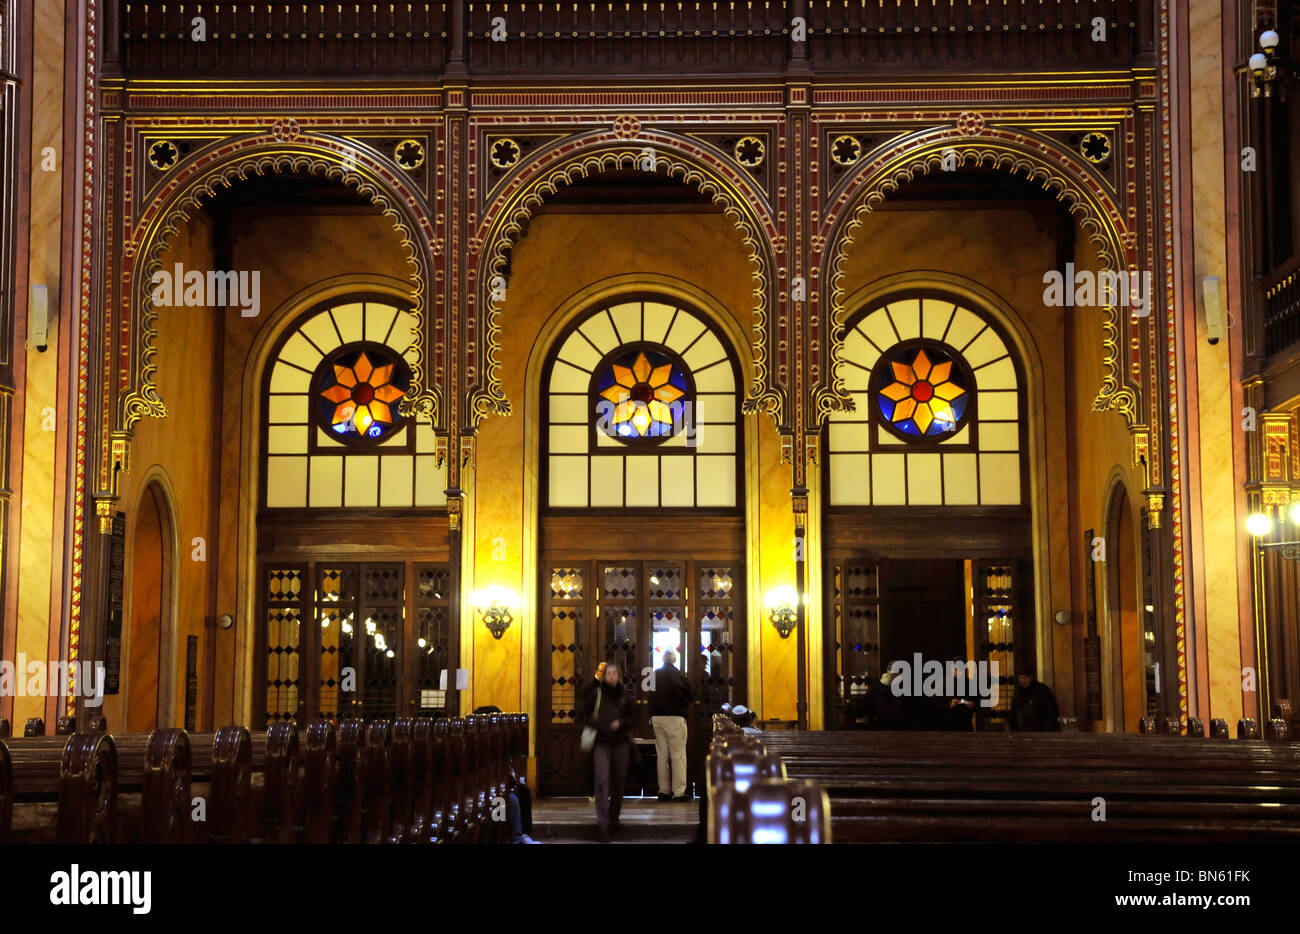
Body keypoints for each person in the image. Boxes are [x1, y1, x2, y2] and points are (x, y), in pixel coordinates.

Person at [576, 660, 635, 842]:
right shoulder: (596, 694)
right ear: (603, 676)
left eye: (614, 674)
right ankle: (603, 824)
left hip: (621, 744)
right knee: (601, 782)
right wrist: (599, 724)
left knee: (618, 782)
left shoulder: (625, 697)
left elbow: (632, 719)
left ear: (619, 676)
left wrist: (621, 723)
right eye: (608, 674)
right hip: (601, 743)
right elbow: (582, 714)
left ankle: (613, 815)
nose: (611, 677)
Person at [650, 649, 694, 802]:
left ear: (663, 659)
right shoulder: (679, 675)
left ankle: (663, 791)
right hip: (675, 717)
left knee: (662, 755)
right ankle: (679, 792)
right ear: (674, 660)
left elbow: (650, 694)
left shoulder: (655, 674)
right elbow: (691, 694)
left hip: (657, 717)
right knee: (678, 755)